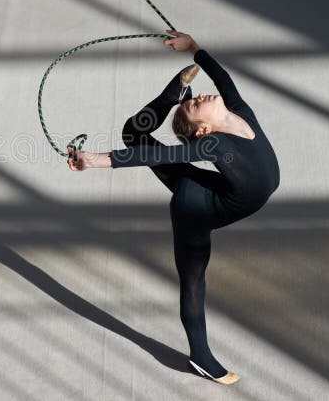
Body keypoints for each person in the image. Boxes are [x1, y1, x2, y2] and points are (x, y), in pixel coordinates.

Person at [66, 30, 280, 386]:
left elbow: (222, 77)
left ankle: (170, 98)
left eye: (193, 101)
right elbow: (158, 155)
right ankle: (201, 357)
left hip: (208, 189)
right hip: (194, 208)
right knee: (194, 280)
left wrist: (194, 47)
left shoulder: (240, 112)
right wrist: (93, 161)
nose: (204, 98)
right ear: (204, 130)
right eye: (194, 105)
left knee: (133, 134)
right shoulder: (214, 146)